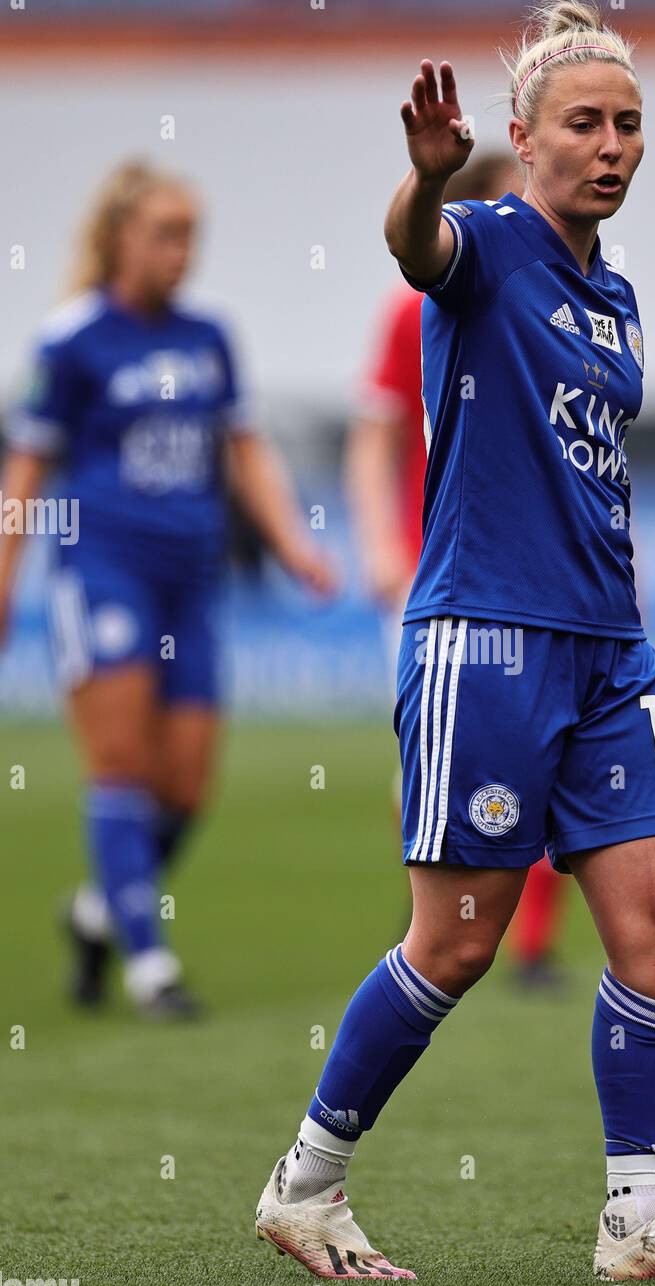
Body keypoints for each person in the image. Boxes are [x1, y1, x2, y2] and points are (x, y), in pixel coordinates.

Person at [255, 1, 655, 1284]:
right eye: (584, 123)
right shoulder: (483, 240)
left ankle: (635, 1221)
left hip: (611, 649)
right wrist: (426, 179)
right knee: (459, 942)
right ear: (522, 138)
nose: (611, 145)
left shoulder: (617, 297)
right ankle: (305, 1184)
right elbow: (413, 245)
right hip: (486, 637)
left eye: (628, 124)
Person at [0, 161, 335, 1019]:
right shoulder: (71, 339)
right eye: (166, 232)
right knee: (120, 764)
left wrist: (294, 544)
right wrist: (5, 576)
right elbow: (26, 466)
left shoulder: (207, 337)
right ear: (119, 237)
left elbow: (244, 448)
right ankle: (151, 965)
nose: (182, 251)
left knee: (184, 787)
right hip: (104, 572)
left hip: (193, 582)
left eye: (191, 234)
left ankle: (94, 910)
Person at [346, 149, 569, 985]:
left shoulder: (564, 311)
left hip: (542, 577)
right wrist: (377, 545)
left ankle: (531, 940)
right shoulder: (418, 310)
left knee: (551, 751)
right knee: (451, 758)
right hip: (436, 573)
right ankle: (447, 919)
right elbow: (376, 436)